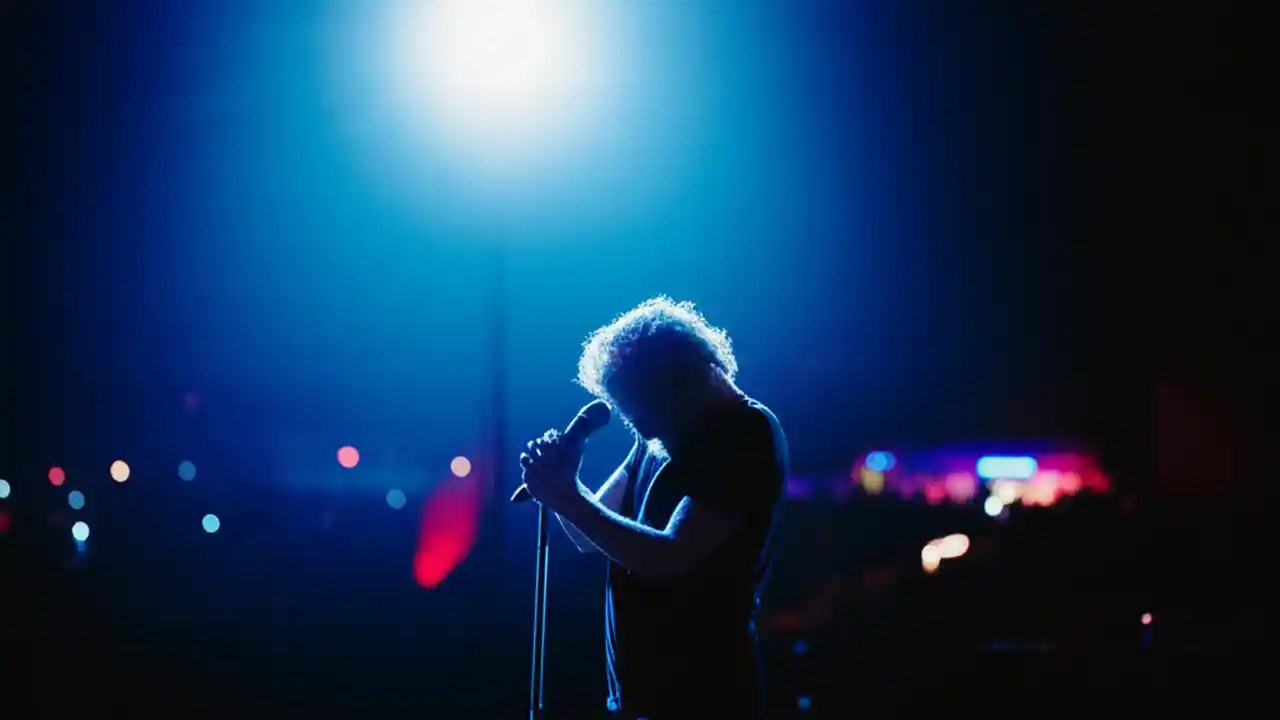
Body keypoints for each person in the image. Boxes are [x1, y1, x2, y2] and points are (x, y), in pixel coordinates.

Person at [519, 297, 789, 719]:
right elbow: (587, 537)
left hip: (705, 696)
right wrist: (562, 486)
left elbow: (669, 557)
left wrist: (567, 496)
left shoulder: (744, 433)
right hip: (639, 698)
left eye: (641, 407)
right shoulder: (662, 434)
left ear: (683, 378)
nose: (639, 426)